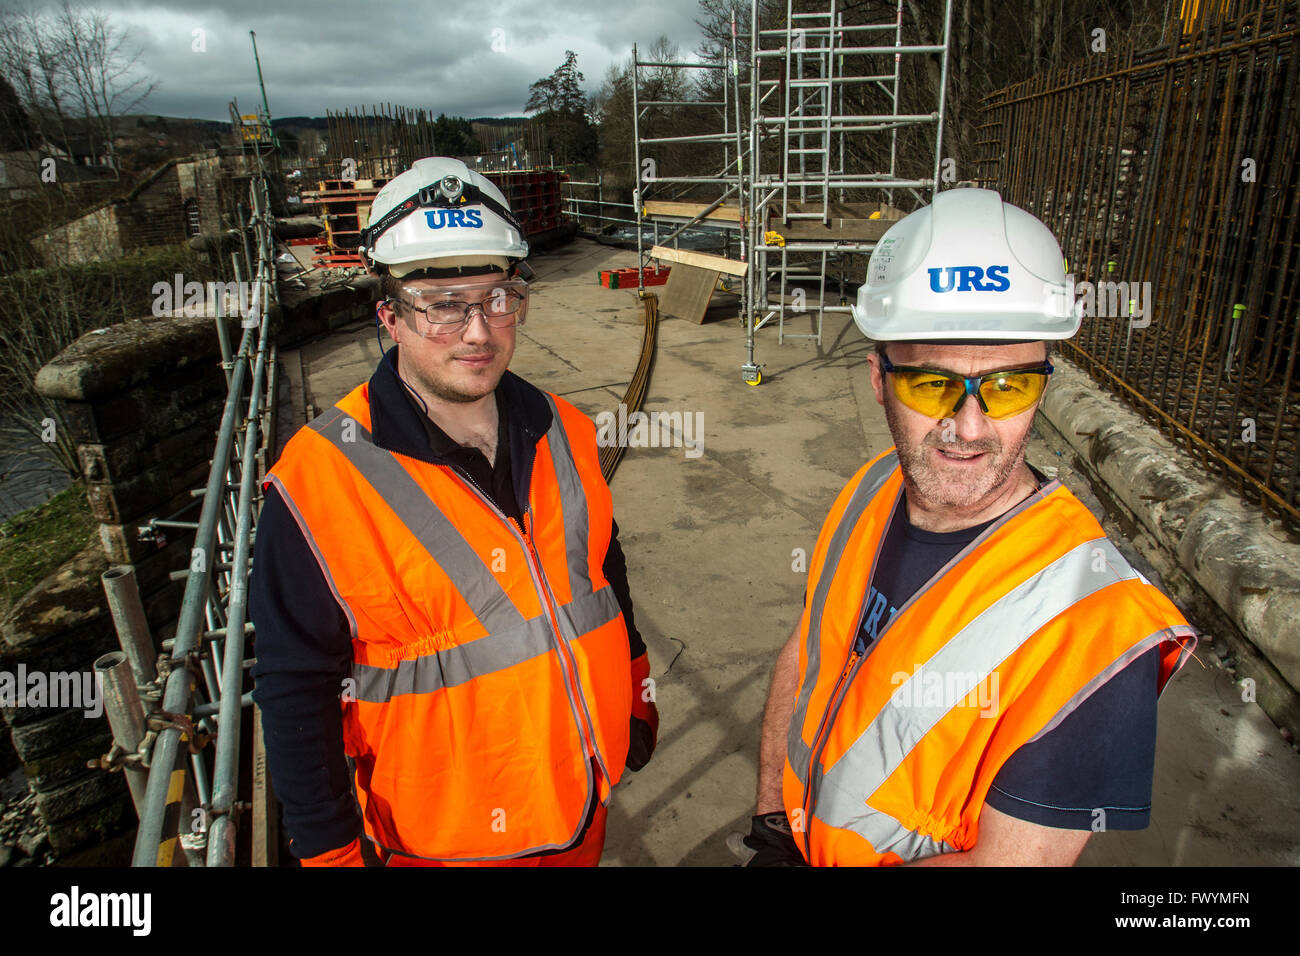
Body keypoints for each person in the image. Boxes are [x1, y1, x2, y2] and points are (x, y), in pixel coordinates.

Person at [743, 188, 1197, 867]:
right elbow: (808, 651)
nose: (970, 428)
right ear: (879, 380)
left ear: (1044, 387)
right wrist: (774, 820)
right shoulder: (872, 488)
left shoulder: (1096, 629)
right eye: (932, 384)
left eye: (1009, 387)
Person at [249, 157, 657, 867]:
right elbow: (294, 686)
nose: (478, 332)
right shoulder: (317, 482)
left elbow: (602, 568)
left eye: (498, 298)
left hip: (581, 800)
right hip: (442, 842)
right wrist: (328, 849)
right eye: (442, 304)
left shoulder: (565, 429)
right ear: (389, 316)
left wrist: (635, 681)